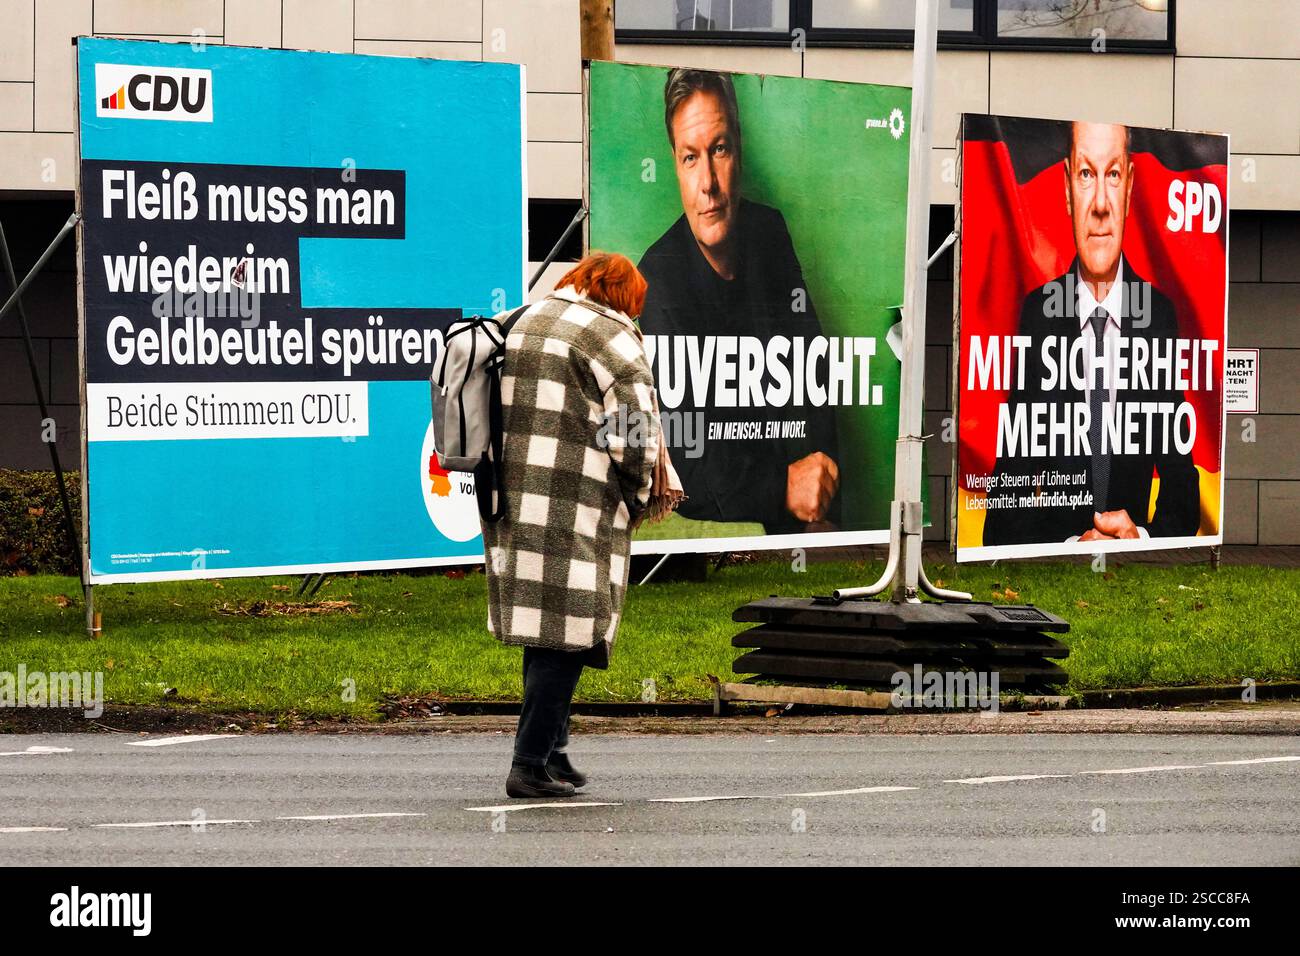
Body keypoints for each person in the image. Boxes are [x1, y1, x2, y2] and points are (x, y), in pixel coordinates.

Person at [482, 252, 680, 799]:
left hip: (510, 500)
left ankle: (554, 751)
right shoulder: (612, 339)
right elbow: (636, 436)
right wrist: (641, 496)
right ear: (623, 297)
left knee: (546, 628)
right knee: (568, 633)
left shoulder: (521, 320)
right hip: (576, 503)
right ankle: (528, 766)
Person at [636, 67, 840, 534]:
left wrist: (822, 494)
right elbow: (680, 452)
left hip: (790, 520)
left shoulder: (769, 232)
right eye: (690, 158)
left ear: (739, 149)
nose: (708, 182)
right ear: (675, 165)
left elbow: (815, 377)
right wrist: (783, 487)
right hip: (721, 531)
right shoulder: (658, 277)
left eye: (719, 149)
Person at [983, 121, 1200, 546]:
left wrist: (1140, 537)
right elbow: (1006, 505)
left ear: (1130, 187)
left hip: (1131, 576)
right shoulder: (1038, 315)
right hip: (1057, 567)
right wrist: (1068, 546)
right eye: (1086, 174)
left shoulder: (1158, 317)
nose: (1100, 203)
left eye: (1113, 174)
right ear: (1067, 188)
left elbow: (1183, 499)